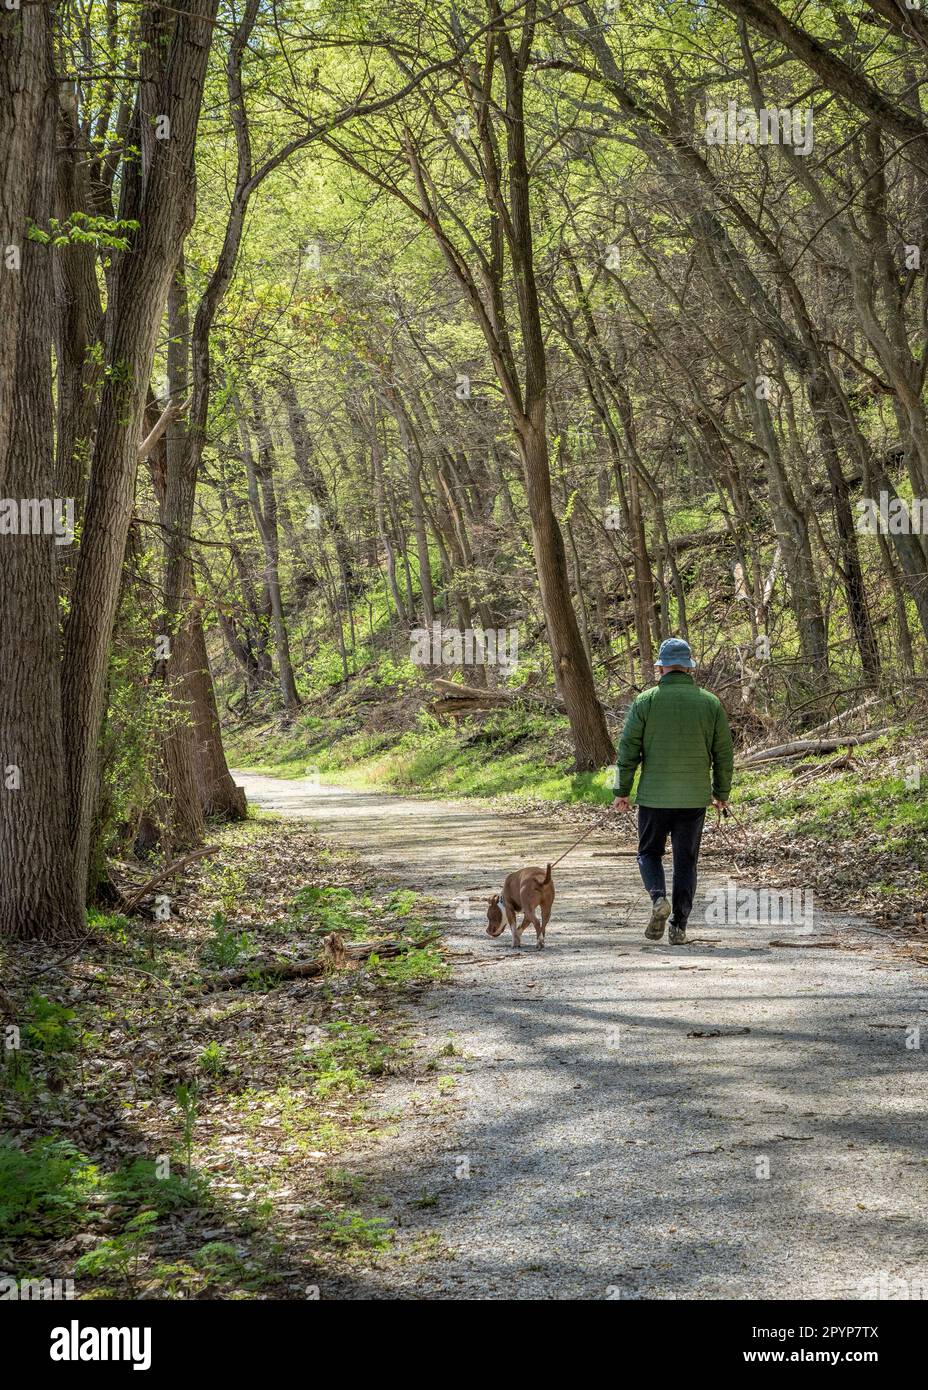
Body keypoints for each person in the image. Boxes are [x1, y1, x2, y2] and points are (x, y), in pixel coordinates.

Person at [610, 638, 733, 945]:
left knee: (648, 852)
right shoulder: (710, 703)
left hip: (654, 798)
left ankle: (657, 899)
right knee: (686, 861)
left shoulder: (645, 701)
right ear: (689, 667)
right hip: (693, 799)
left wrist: (621, 790)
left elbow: (628, 750)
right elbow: (723, 753)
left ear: (661, 667)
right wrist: (722, 792)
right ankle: (679, 925)